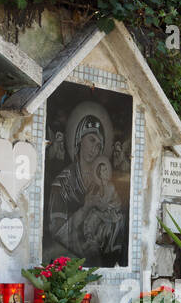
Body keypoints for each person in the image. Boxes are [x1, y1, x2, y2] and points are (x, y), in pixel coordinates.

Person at [43, 104, 127, 266]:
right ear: (79, 139)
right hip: (69, 261)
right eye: (91, 140)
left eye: (99, 145)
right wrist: (86, 207)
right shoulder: (62, 183)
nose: (94, 148)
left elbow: (118, 221)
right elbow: (56, 231)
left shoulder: (105, 183)